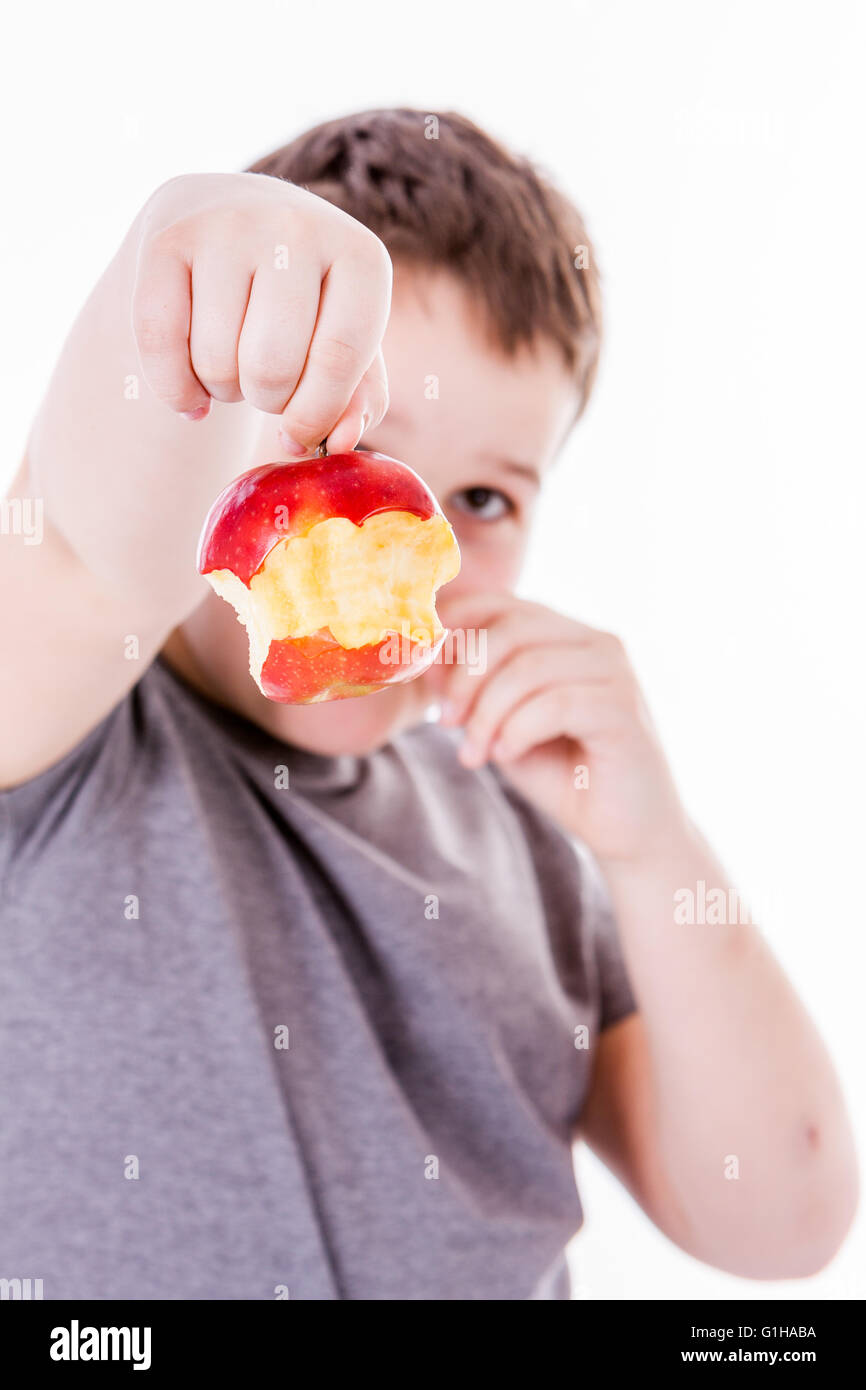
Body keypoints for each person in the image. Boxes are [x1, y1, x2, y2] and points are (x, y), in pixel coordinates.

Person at [0, 108, 857, 1300]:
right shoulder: (63, 732)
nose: (412, 539)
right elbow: (83, 557)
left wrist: (652, 847)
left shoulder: (527, 840)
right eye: (347, 462)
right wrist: (186, 245)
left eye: (486, 500)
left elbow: (781, 1218)